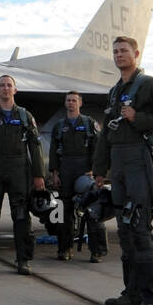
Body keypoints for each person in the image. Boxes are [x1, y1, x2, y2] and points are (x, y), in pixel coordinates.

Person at [93, 36, 153, 305]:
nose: (119, 55)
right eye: (116, 51)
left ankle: (151, 298)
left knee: (140, 229)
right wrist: (99, 169)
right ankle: (131, 293)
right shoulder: (115, 91)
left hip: (139, 161)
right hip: (119, 164)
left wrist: (138, 118)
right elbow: (106, 133)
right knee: (124, 229)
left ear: (137, 54)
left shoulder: (151, 85)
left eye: (124, 51)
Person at [0, 75, 45, 275]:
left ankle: (23, 260)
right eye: (2, 86)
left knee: (21, 217)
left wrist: (39, 174)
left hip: (19, 169)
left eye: (9, 85)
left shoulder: (24, 116)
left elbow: (35, 145)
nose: (5, 88)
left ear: (15, 90)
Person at [49, 90, 106, 262]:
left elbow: (98, 149)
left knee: (92, 211)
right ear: (65, 103)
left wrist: (95, 172)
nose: (71, 103)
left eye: (74, 100)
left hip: (84, 170)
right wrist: (54, 173)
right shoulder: (59, 126)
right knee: (62, 212)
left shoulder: (89, 124)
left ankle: (96, 251)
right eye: (68, 100)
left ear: (80, 103)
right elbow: (53, 151)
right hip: (65, 170)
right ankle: (64, 249)